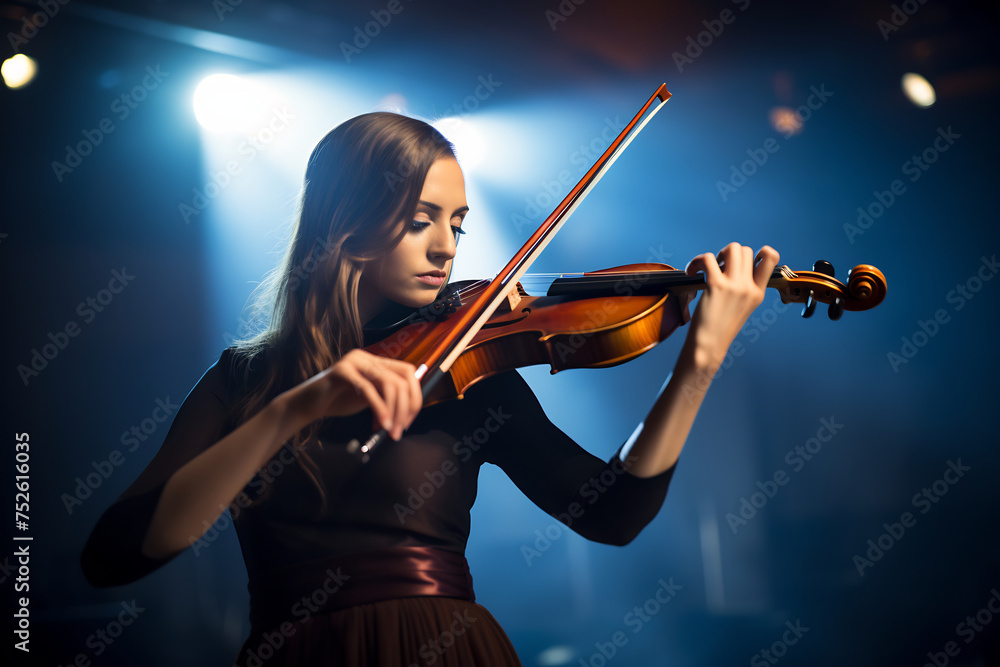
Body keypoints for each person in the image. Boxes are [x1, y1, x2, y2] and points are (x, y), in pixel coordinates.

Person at [80, 111, 780, 666]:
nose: (447, 247)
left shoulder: (468, 375)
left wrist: (699, 364)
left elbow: (613, 514)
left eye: (457, 223)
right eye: (421, 220)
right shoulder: (246, 378)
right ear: (345, 222)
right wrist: (295, 407)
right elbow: (114, 554)